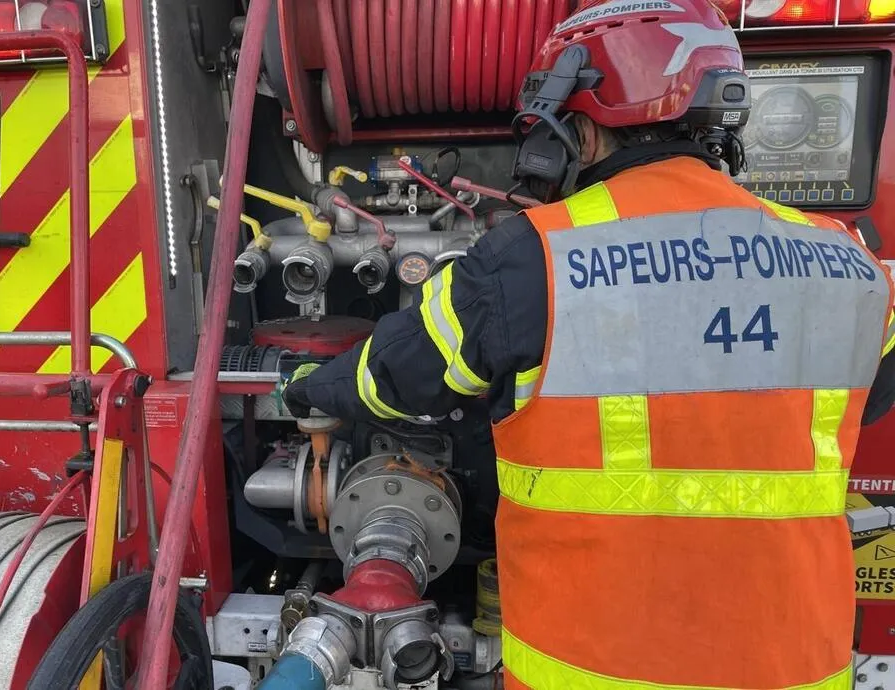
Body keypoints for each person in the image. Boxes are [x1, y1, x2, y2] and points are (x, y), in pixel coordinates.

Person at [283, 0, 895, 686]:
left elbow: (395, 378)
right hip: (794, 671)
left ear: (584, 130)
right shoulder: (848, 262)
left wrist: (308, 387)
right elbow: (865, 403)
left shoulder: (530, 257)